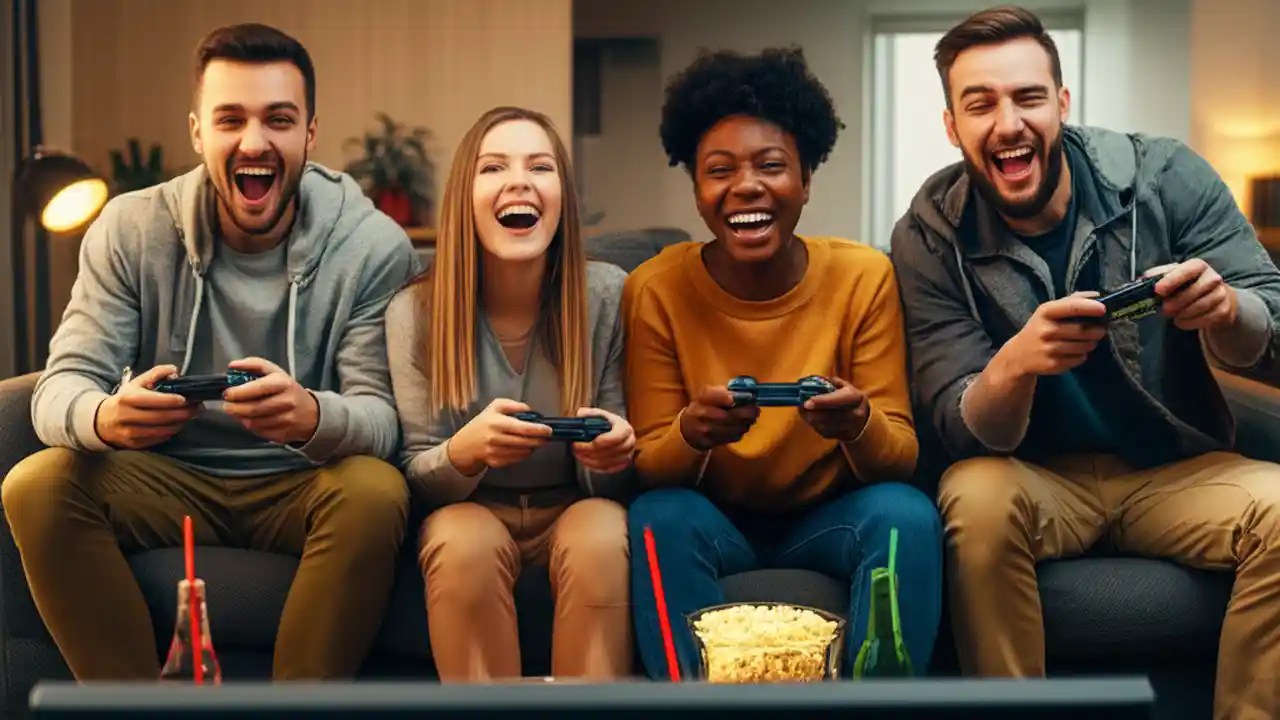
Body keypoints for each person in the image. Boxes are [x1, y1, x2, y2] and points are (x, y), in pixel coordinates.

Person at [890, 5, 1280, 717]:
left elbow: (1270, 314)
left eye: (1028, 97)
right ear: (952, 126)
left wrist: (1228, 312)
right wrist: (1015, 365)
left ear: (1062, 105)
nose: (1007, 123)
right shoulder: (927, 233)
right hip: (1032, 480)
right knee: (973, 497)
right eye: (980, 104)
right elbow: (953, 419)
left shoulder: (1166, 176)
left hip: (1174, 468)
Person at [2, 23, 419, 680]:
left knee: (375, 490)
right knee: (36, 484)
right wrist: (107, 416)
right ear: (198, 133)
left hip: (304, 483)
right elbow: (61, 386)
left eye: (279, 119)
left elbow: (381, 416)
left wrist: (311, 416)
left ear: (310, 133)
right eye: (232, 119)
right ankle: (139, 711)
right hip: (165, 479)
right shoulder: (130, 229)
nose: (255, 141)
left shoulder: (372, 246)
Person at [623, 46, 944, 680]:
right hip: (714, 515)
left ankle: (881, 702)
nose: (747, 186)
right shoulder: (654, 288)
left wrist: (857, 424)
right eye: (720, 171)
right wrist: (692, 432)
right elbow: (648, 464)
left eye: (772, 166)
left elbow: (901, 456)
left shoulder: (862, 276)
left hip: (830, 515)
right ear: (696, 187)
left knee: (907, 515)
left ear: (805, 181)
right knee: (656, 519)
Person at [386, 106, 636, 682]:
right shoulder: (413, 312)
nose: (519, 181)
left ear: (563, 197)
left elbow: (623, 481)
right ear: (463, 198)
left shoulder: (608, 297)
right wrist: (466, 451)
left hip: (576, 506)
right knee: (460, 540)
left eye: (540, 167)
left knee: (604, 530)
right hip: (468, 510)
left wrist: (612, 457)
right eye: (493, 167)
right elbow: (413, 476)